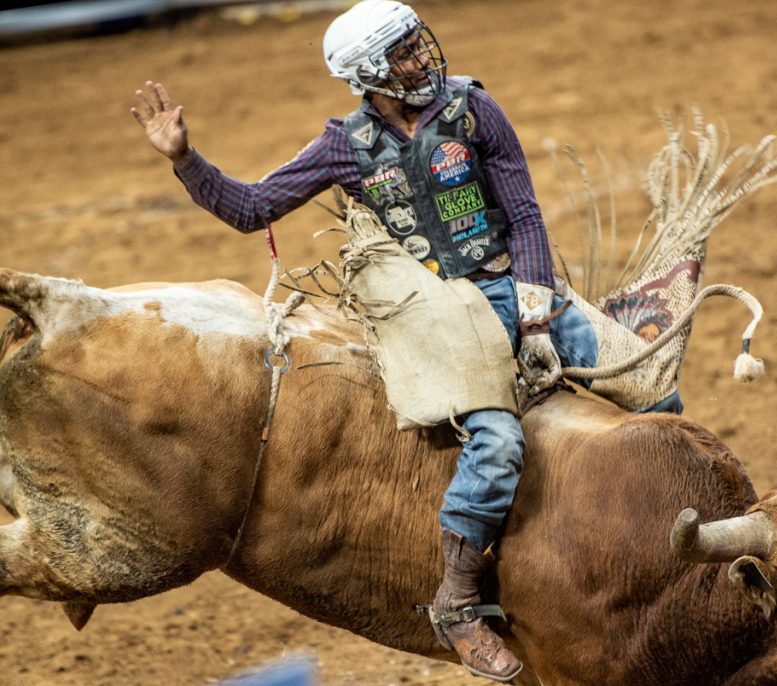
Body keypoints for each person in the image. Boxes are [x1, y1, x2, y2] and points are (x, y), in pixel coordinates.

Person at [131, 0, 681, 680]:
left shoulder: (473, 108)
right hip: (440, 315)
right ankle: (456, 601)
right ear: (368, 74)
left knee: (652, 383)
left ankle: (675, 526)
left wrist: (536, 314)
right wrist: (185, 159)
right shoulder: (344, 146)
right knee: (498, 443)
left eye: (419, 43)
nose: (423, 57)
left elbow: (526, 216)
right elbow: (251, 208)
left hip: (517, 287)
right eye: (404, 52)